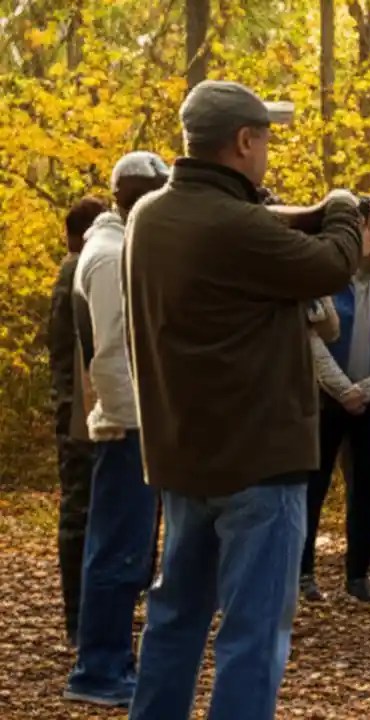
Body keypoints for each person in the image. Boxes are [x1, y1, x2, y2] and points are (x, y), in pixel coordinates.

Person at [125, 80, 365, 719]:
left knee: (174, 618)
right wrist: (342, 208)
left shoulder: (149, 214)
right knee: (253, 635)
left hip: (183, 459)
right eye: (264, 138)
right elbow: (333, 265)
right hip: (258, 463)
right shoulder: (235, 223)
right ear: (242, 142)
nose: (267, 150)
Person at [63, 152, 168, 708]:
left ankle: (112, 661)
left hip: (139, 427)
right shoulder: (106, 257)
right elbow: (108, 356)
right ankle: (98, 668)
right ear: (129, 193)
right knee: (116, 552)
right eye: (154, 190)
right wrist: (135, 426)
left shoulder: (125, 246)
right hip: (126, 428)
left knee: (131, 552)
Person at [302, 202, 370, 604]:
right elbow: (312, 338)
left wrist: (368, 389)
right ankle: (303, 572)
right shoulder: (324, 277)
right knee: (314, 486)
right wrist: (342, 388)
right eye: (363, 226)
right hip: (326, 399)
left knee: (367, 487)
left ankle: (359, 574)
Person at [49, 195, 108, 649]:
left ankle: (83, 617)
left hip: (81, 412)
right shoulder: (78, 270)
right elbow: (72, 356)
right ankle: (77, 620)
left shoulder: (75, 269)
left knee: (86, 513)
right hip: (81, 416)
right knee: (81, 513)